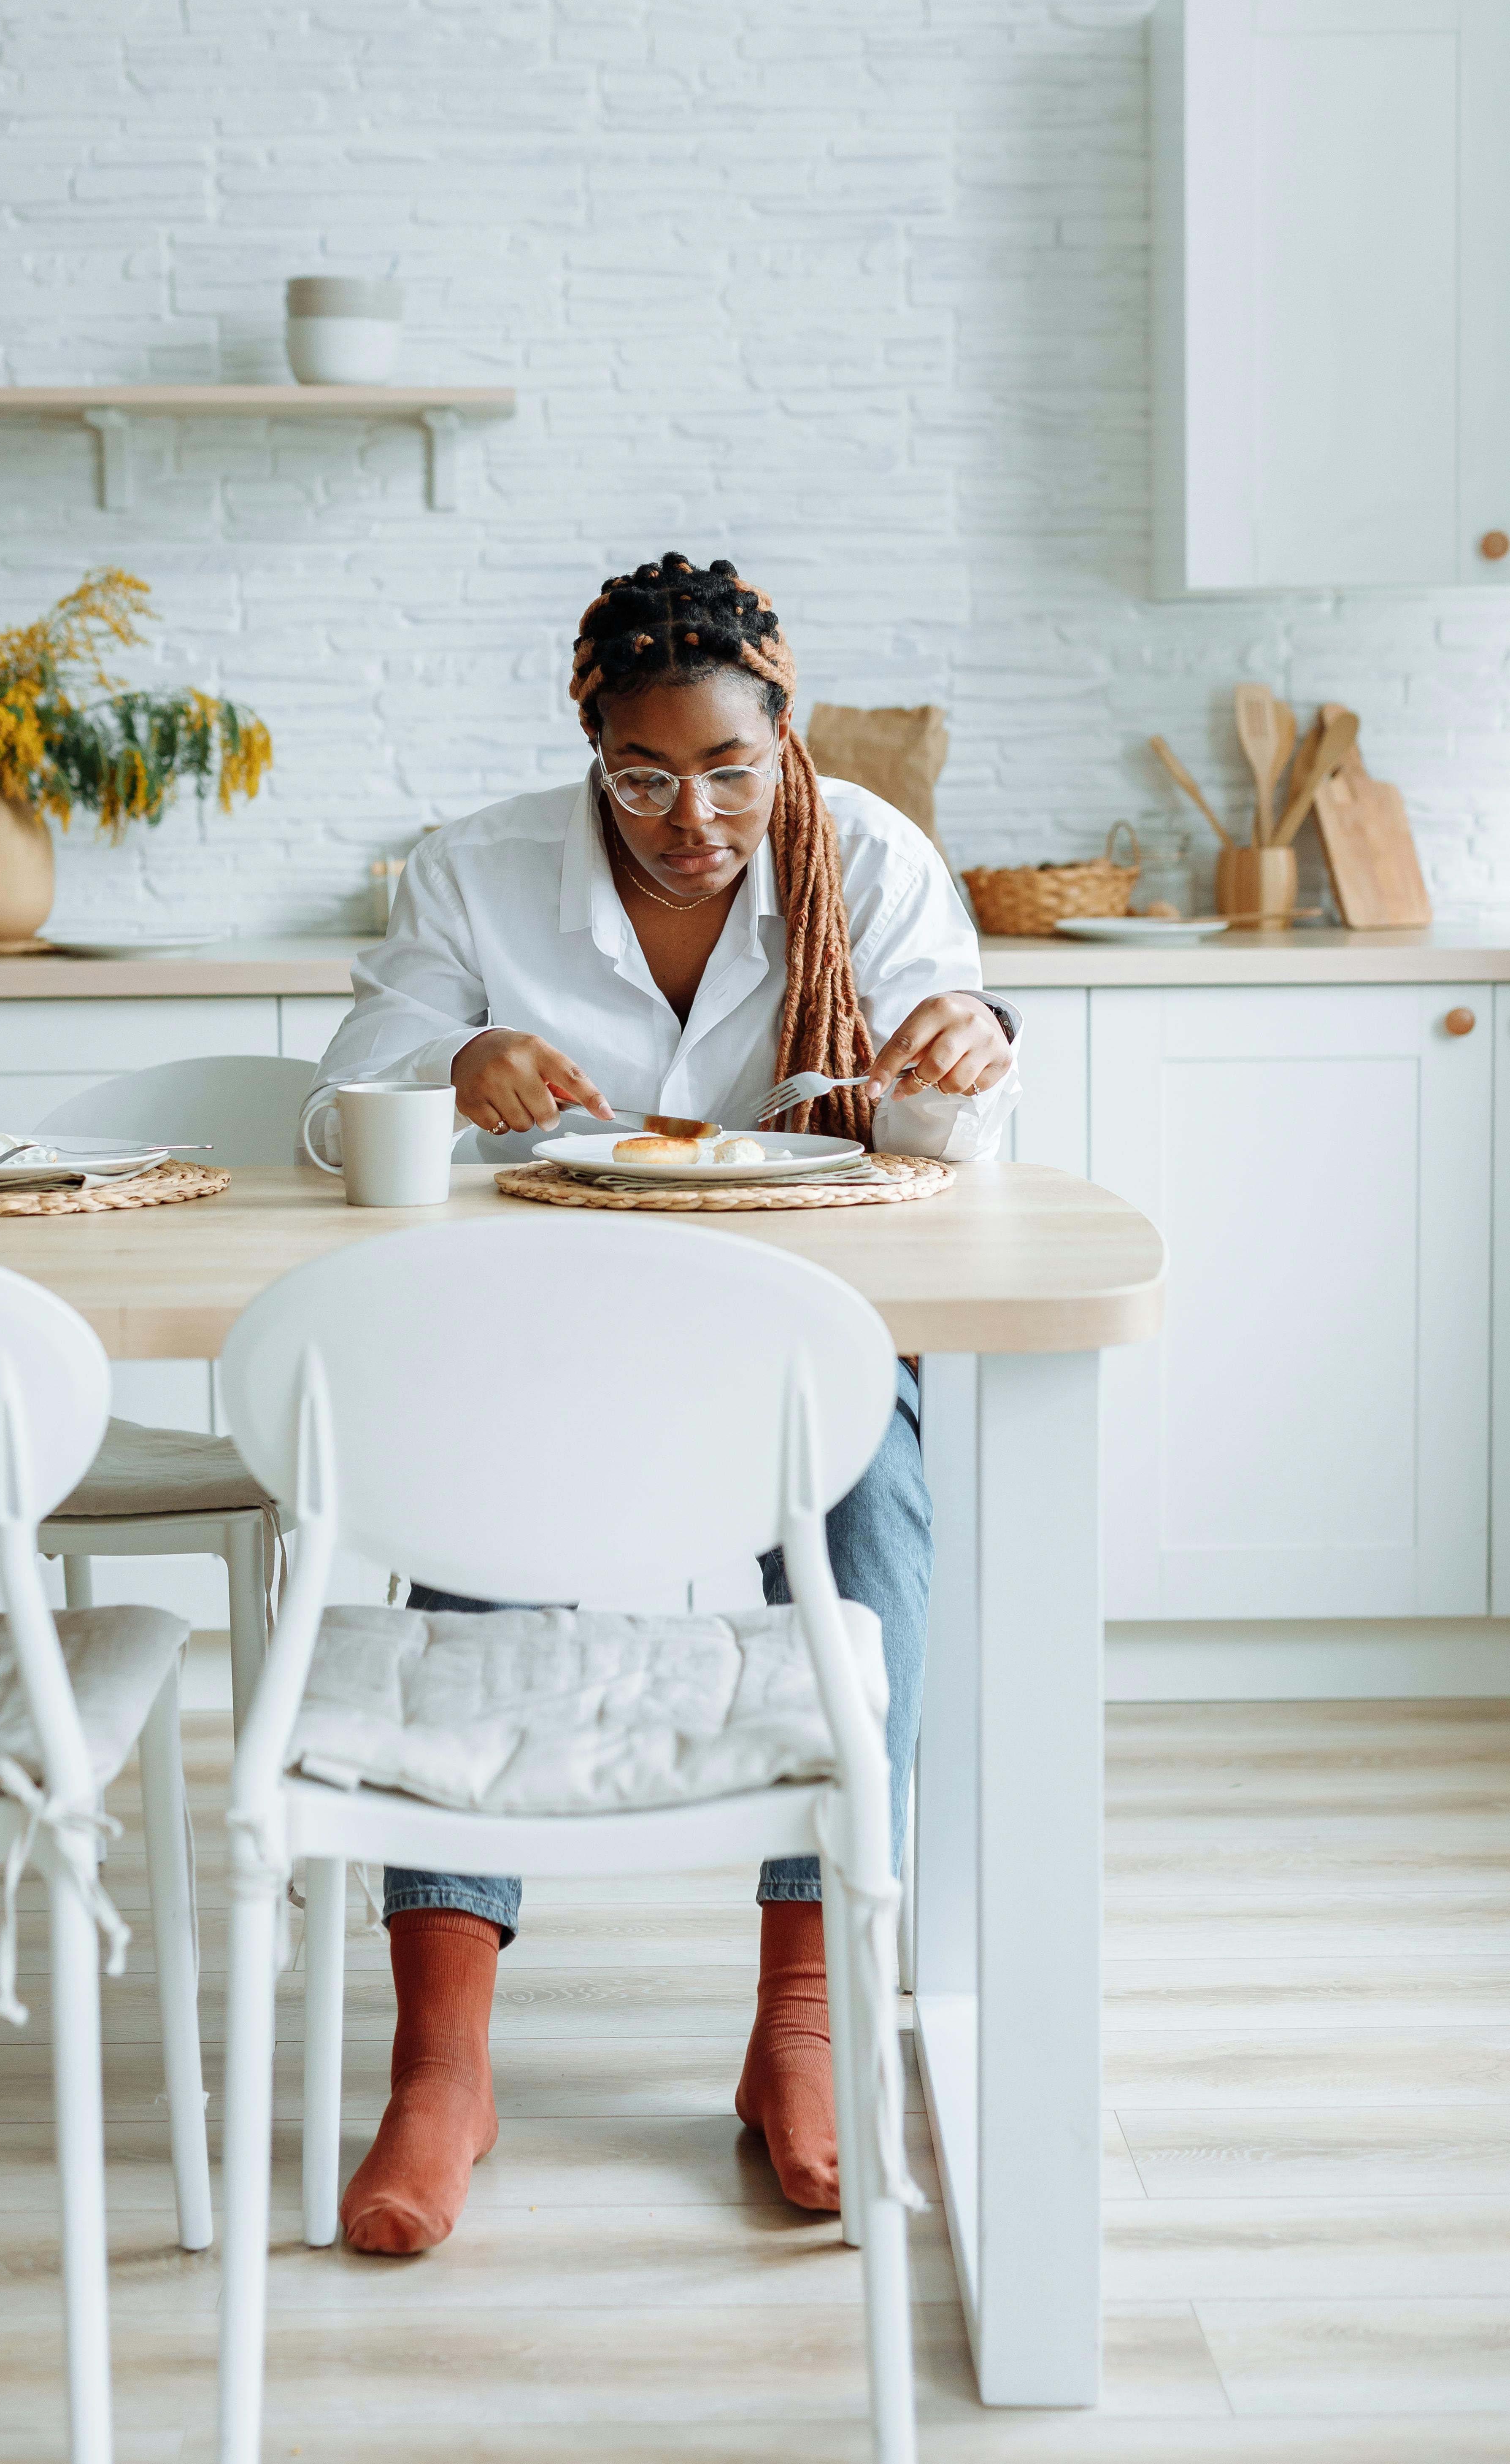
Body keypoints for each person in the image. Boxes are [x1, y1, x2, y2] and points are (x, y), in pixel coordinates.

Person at [303, 551, 1022, 2255]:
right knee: (475, 1510)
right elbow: (333, 1118)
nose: (691, 817)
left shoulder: (870, 863)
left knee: (883, 1504)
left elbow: (946, 1156)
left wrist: (964, 1055)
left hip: (803, 1343)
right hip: (543, 1341)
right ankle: (442, 2059)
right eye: (643, 775)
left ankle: (808, 2022)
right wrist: (445, 1068)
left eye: (730, 772)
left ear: (788, 741)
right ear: (590, 744)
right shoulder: (479, 876)